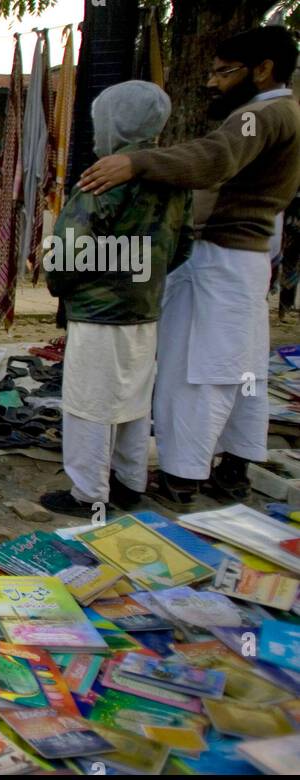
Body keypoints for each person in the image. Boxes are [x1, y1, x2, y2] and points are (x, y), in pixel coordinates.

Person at [80, 26, 300, 511]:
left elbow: (216, 158)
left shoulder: (258, 117)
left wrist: (136, 163)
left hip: (221, 261)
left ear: (262, 69)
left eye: (224, 72)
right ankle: (234, 469)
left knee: (195, 372)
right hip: (242, 265)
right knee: (241, 370)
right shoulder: (282, 112)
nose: (213, 83)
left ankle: (182, 477)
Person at [39, 81, 193, 518]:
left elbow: (69, 252)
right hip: (145, 310)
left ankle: (88, 493)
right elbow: (184, 247)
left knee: (89, 403)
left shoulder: (103, 180)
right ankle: (129, 482)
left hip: (98, 312)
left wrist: (65, 288)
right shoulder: (172, 179)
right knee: (132, 403)